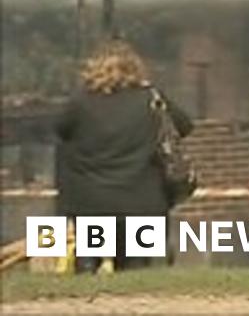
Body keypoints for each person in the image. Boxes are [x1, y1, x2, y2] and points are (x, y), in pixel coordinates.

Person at [54, 39, 193, 273]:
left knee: (88, 266)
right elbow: (185, 126)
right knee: (136, 272)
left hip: (92, 204)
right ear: (136, 68)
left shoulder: (80, 102)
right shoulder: (151, 99)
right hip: (143, 203)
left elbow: (60, 131)